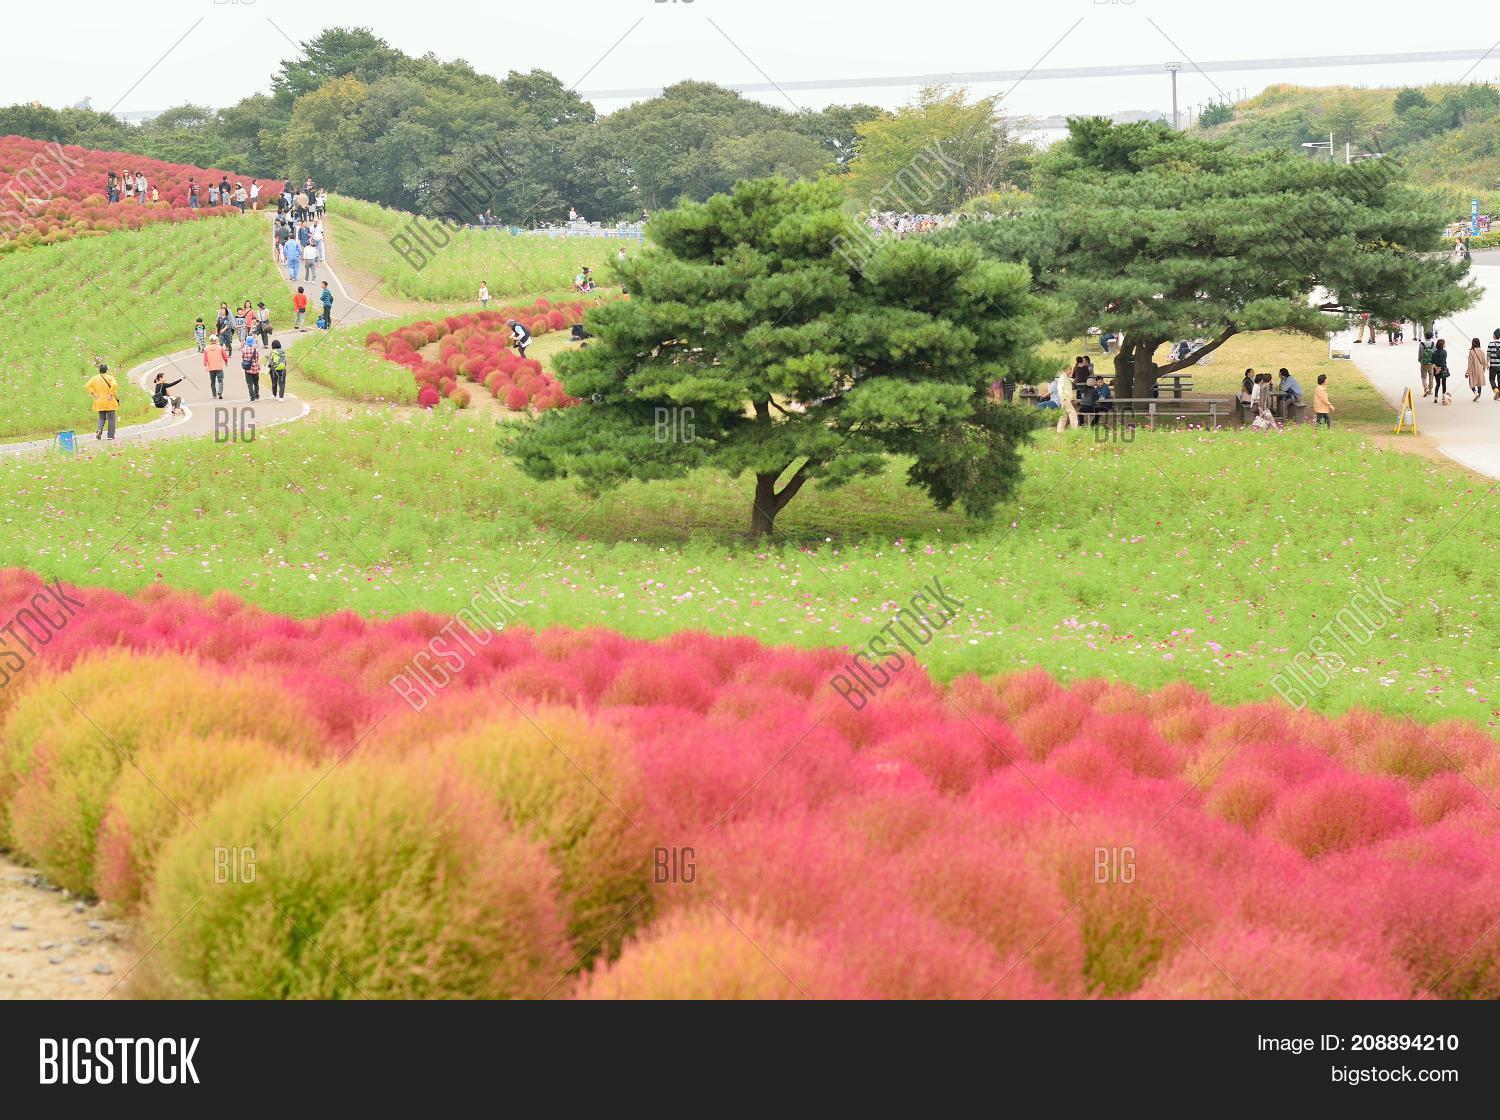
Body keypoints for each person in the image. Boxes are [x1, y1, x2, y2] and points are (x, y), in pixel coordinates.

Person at [86, 362, 119, 441]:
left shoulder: (95, 378)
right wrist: (110, 394)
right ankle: (110, 436)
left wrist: (93, 393)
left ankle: (99, 430)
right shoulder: (110, 377)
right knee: (111, 419)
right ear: (106, 370)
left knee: (101, 418)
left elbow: (87, 385)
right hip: (109, 401)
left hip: (99, 401)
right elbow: (114, 385)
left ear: (99, 371)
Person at [203, 335, 228, 400]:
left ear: (210, 341)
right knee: (220, 380)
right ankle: (219, 392)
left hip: (211, 367)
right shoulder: (220, 348)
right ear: (216, 340)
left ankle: (214, 395)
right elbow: (224, 356)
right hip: (219, 366)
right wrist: (226, 361)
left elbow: (205, 358)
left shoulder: (206, 348)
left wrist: (205, 366)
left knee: (212, 381)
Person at [1054, 367, 1079, 432]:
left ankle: (1060, 429)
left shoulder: (1066, 378)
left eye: (1071, 369)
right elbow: (1060, 389)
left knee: (1063, 415)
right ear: (1065, 370)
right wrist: (1064, 398)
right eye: (1069, 369)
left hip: (1066, 398)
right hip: (1065, 398)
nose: (1071, 371)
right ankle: (1074, 429)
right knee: (1072, 414)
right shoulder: (1062, 378)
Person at [1466, 337, 1487, 402]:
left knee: (1471, 382)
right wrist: (1483, 370)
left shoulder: (1471, 351)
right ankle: (1479, 395)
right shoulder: (1481, 351)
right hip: (1480, 369)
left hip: (1473, 369)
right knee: (1479, 383)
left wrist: (1467, 372)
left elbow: (1470, 363)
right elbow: (1484, 362)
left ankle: (1475, 393)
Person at [241, 335, 261, 401]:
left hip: (248, 369)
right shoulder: (256, 350)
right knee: (256, 383)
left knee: (249, 383)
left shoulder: (244, 350)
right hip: (256, 368)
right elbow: (257, 359)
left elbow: (243, 358)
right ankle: (257, 395)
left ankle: (252, 397)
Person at [1431, 338, 1451, 403]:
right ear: (1442, 345)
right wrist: (1439, 369)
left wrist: (1436, 368)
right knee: (1444, 384)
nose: (1445, 344)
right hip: (1443, 369)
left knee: (1438, 384)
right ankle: (1443, 397)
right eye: (1444, 343)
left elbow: (1433, 363)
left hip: (1436, 370)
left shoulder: (1434, 352)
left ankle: (1436, 397)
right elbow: (1443, 362)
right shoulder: (1445, 352)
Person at [1488, 328, 1500, 401]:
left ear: (1494, 335)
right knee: (1499, 380)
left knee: (1491, 379)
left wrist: (1487, 364)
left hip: (1493, 366)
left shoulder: (1491, 344)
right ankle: (1499, 396)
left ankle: (1496, 391)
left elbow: (1488, 355)